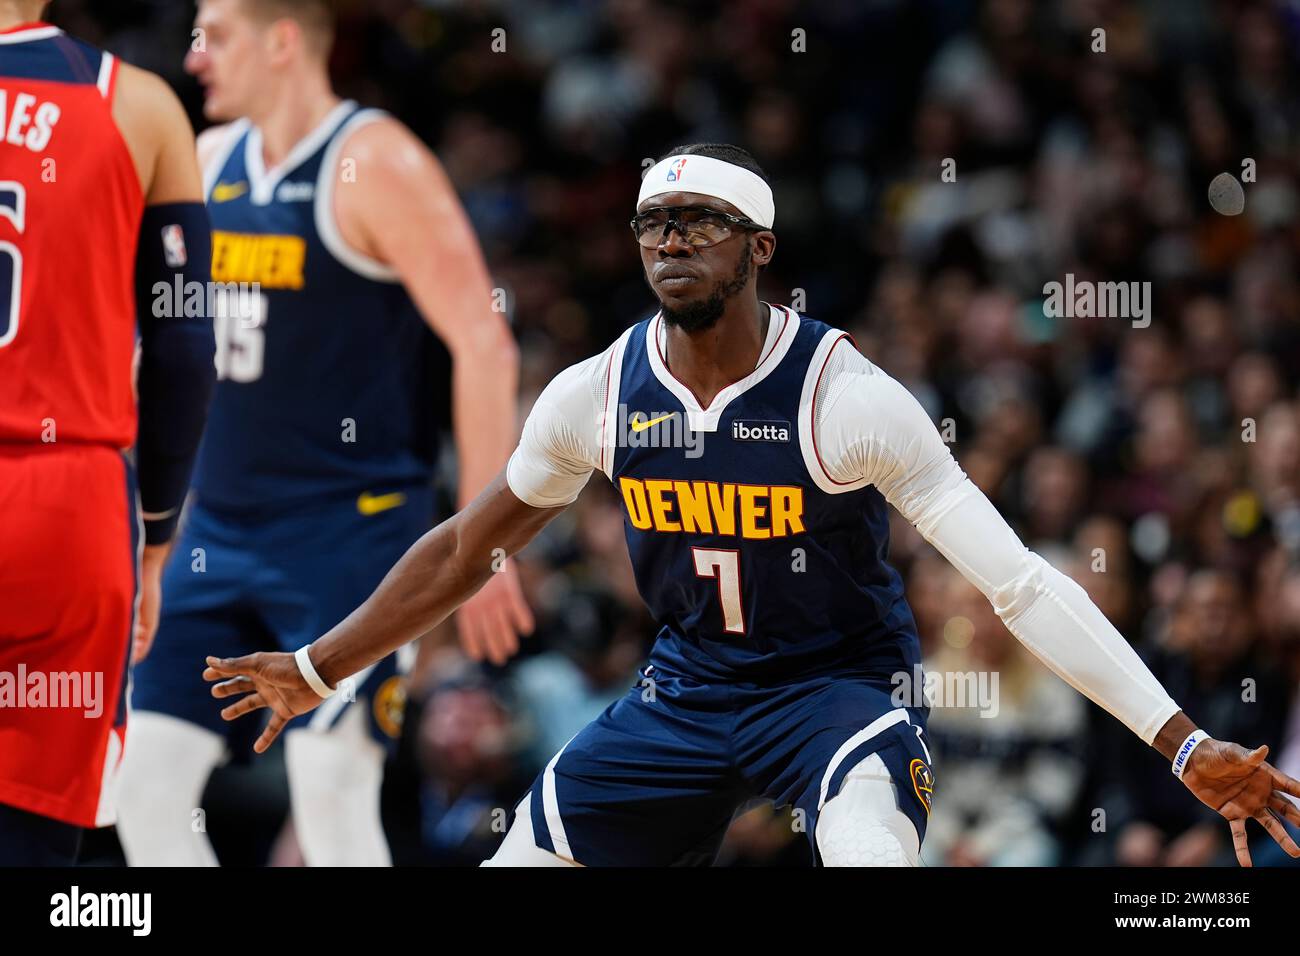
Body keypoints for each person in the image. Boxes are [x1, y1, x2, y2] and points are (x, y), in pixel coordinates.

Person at [205, 143, 1300, 866]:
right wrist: (315, 666)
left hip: (834, 689)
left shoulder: (849, 401)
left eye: (699, 221)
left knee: (870, 850)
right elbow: (462, 549)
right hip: (681, 693)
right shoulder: (596, 392)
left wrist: (1180, 737)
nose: (670, 240)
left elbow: (1015, 582)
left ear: (759, 247)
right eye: (653, 224)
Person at [118, 0, 530, 867]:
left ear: (282, 40)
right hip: (215, 532)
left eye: (215, 37)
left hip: (350, 535)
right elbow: (157, 343)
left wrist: (486, 540)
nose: (195, 61)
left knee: (332, 796)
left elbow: (482, 342)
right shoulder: (204, 159)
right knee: (143, 795)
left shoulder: (374, 161)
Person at [0, 1, 216, 864]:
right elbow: (184, 342)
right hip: (70, 504)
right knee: (35, 843)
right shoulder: (139, 103)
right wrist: (156, 539)